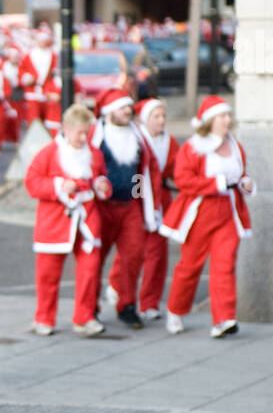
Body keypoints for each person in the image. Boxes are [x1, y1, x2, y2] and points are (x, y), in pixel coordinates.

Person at [161, 96, 255, 338]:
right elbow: (182, 180)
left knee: (225, 267)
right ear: (209, 120)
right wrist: (217, 183)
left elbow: (240, 175)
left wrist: (245, 184)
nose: (227, 120)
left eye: (228, 115)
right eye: (222, 116)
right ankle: (175, 310)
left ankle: (223, 319)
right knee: (189, 267)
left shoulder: (235, 145)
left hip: (228, 214)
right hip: (200, 215)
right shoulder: (194, 146)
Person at [23, 103, 112, 336]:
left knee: (90, 269)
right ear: (66, 129)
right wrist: (59, 186)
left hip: (87, 219)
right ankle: (44, 318)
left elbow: (101, 178)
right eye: (79, 132)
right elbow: (32, 183)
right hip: (55, 221)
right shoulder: (49, 153)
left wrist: (102, 185)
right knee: (47, 274)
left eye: (86, 132)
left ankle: (84, 317)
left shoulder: (95, 154)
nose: (83, 137)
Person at [90, 89, 157, 330]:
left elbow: (143, 171)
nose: (128, 111)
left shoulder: (137, 136)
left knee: (133, 256)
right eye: (122, 108)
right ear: (109, 112)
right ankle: (90, 309)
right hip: (102, 207)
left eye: (129, 107)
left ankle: (127, 306)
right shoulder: (96, 136)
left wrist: (141, 200)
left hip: (130, 207)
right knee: (94, 260)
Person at [107, 98, 178, 322]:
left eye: (163, 116)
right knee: (132, 250)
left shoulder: (170, 142)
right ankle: (117, 284)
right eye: (156, 116)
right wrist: (140, 197)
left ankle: (149, 302)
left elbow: (178, 170)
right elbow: (136, 173)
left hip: (162, 201)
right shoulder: (137, 138)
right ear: (145, 119)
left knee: (157, 254)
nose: (161, 121)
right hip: (140, 198)